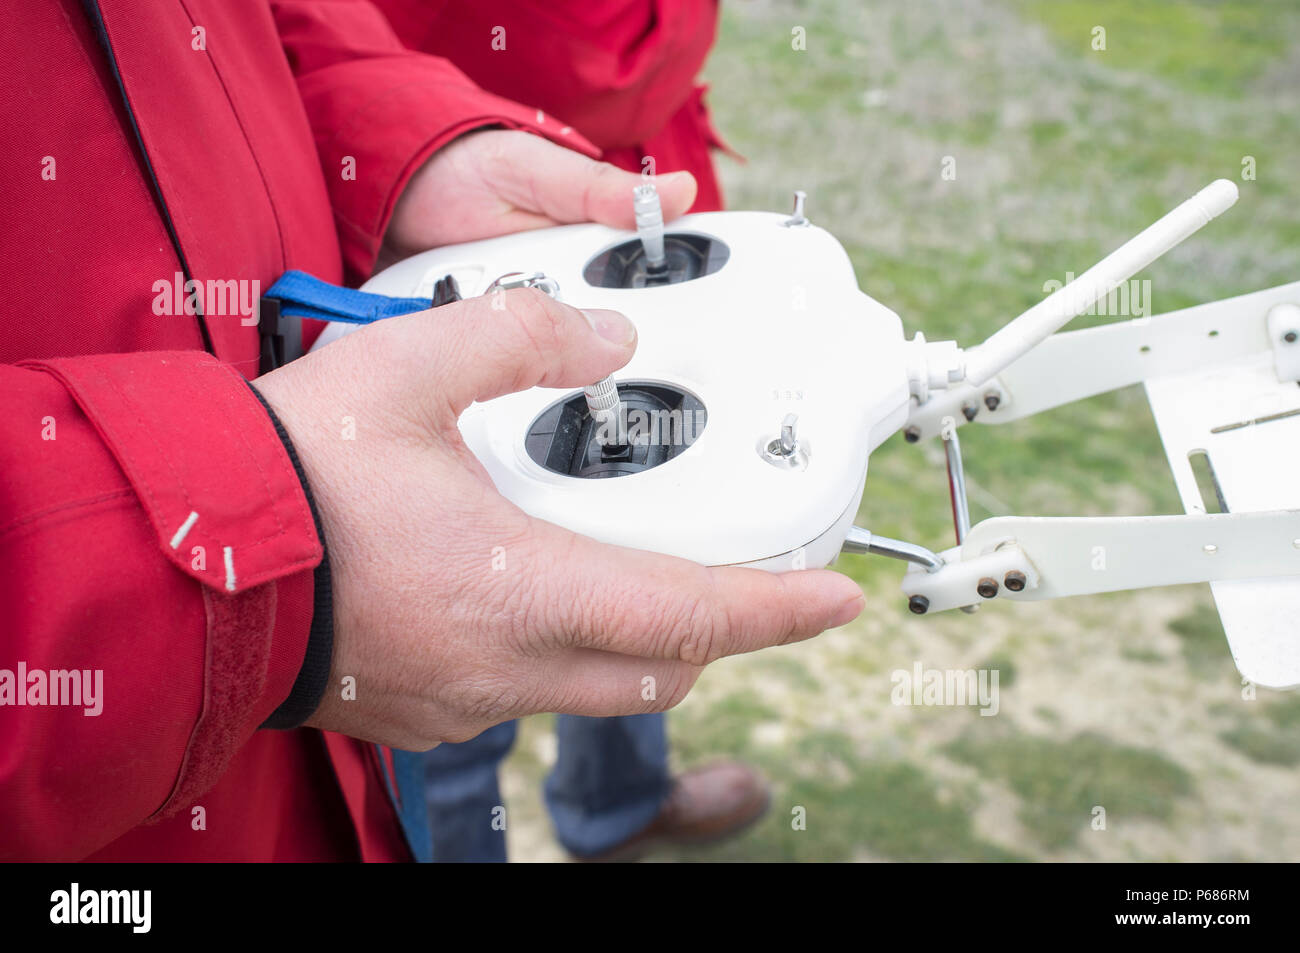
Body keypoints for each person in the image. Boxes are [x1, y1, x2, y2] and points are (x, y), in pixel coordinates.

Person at [0, 0, 864, 862]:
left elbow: (257, 27)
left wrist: (402, 148)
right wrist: (256, 582)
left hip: (318, 642)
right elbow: (613, 51)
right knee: (474, 701)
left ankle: (615, 804)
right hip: (145, 812)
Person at [374, 0, 764, 863]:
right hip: (478, 222)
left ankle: (615, 803)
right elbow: (606, 54)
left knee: (641, 563)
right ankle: (464, 833)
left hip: (617, 216)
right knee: (466, 611)